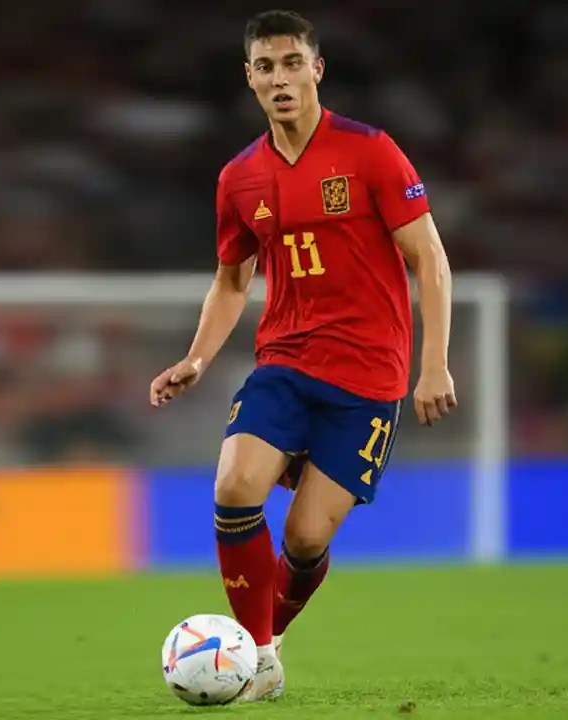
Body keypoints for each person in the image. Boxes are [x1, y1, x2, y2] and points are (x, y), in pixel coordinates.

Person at [148, 9, 456, 702]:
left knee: (307, 538)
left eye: (292, 63)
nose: (280, 78)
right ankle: (257, 657)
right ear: (250, 78)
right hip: (285, 362)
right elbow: (232, 281)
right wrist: (197, 358)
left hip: (370, 377)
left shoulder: (371, 151)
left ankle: (270, 638)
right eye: (266, 66)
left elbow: (428, 259)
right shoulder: (240, 180)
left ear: (317, 69)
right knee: (233, 488)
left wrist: (433, 364)